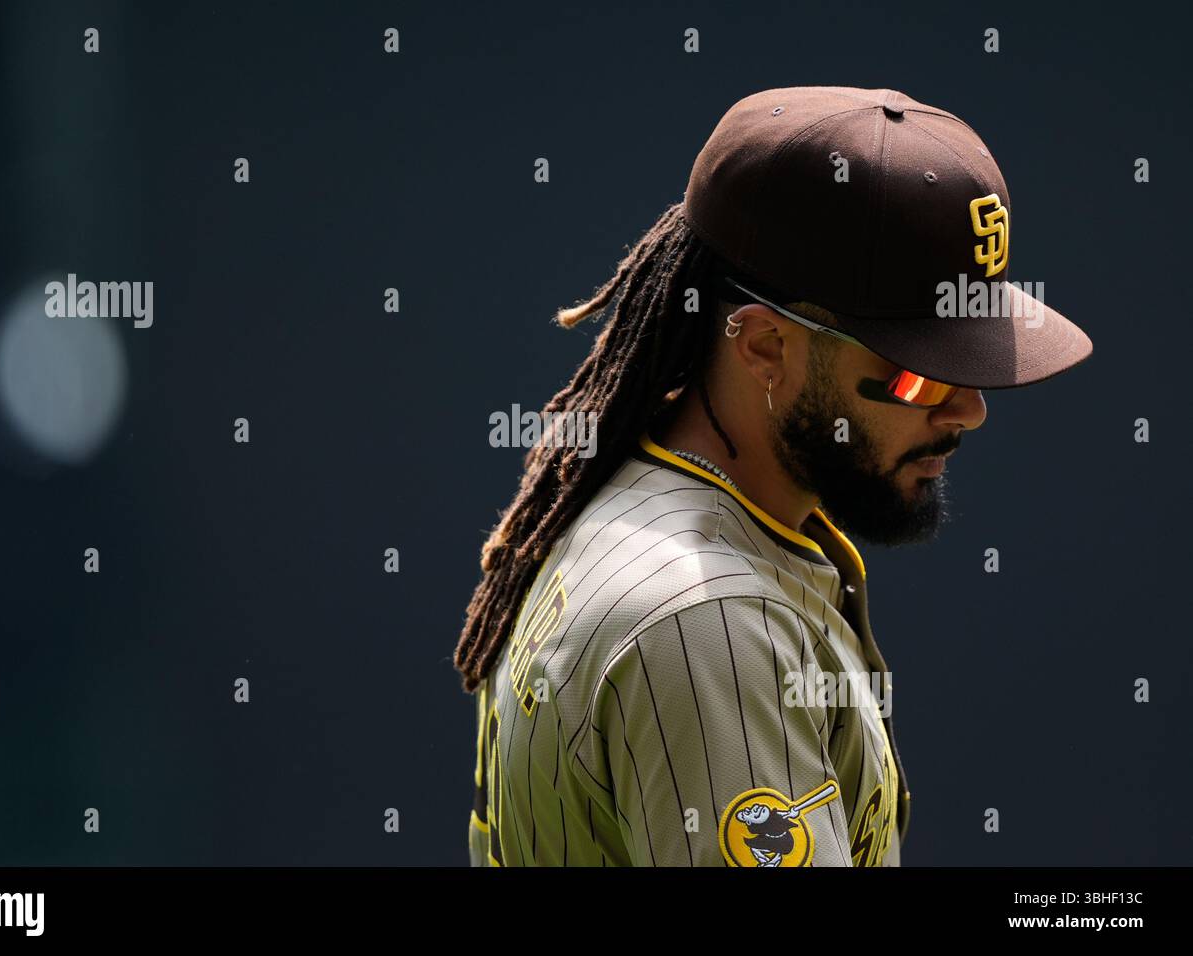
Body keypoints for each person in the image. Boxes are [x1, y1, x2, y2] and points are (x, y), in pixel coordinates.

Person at [454, 86, 1093, 866]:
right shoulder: (707, 623)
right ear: (763, 345)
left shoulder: (627, 495)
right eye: (918, 375)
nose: (967, 411)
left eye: (972, 362)